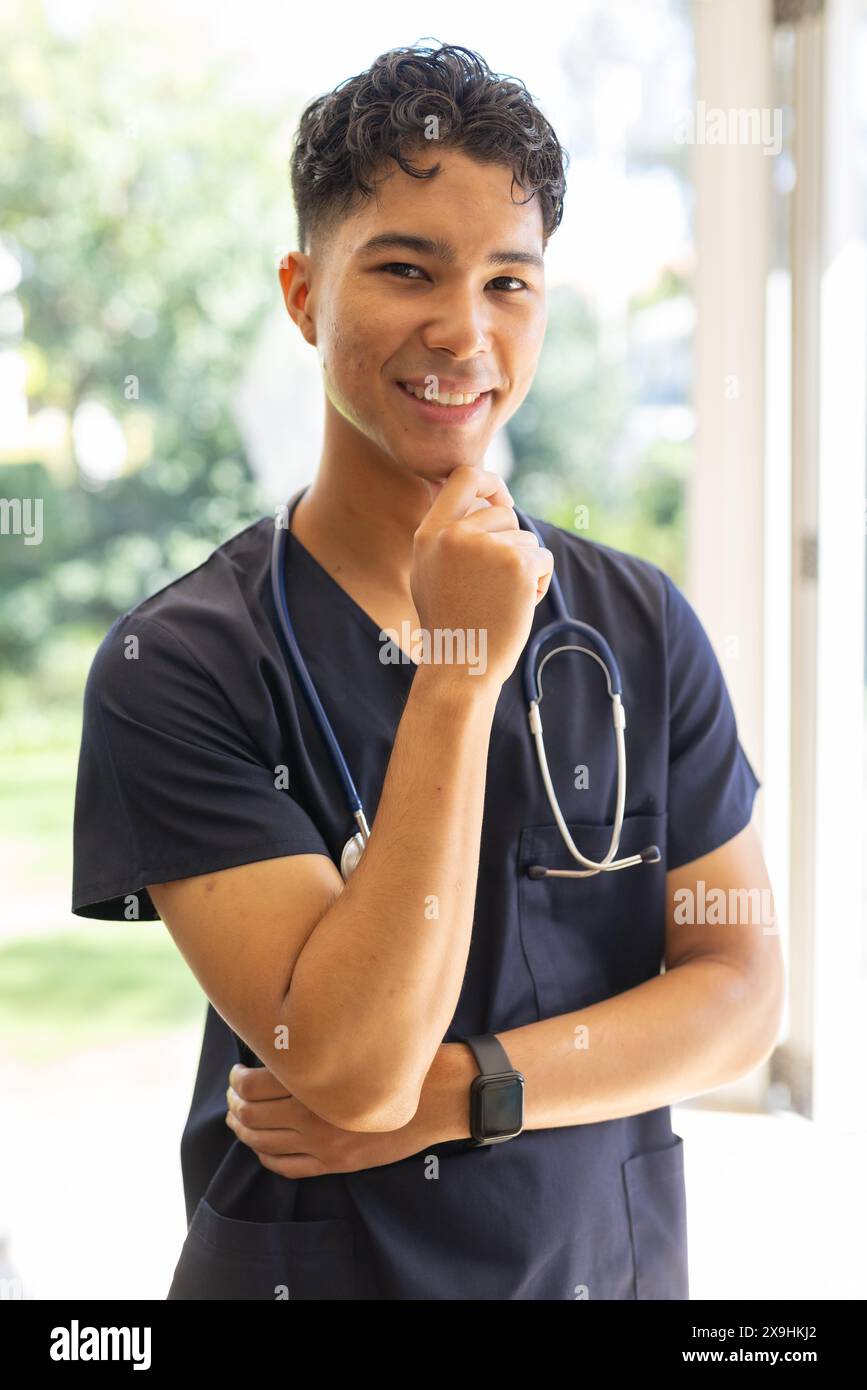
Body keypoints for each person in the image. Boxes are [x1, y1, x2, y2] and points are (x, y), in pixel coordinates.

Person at [71, 41, 784, 1301]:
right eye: (407, 269)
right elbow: (345, 1067)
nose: (466, 330)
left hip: (597, 1271)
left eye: (511, 280)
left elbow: (739, 996)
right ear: (303, 294)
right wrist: (459, 673)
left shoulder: (641, 621)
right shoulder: (179, 663)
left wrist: (463, 1092)